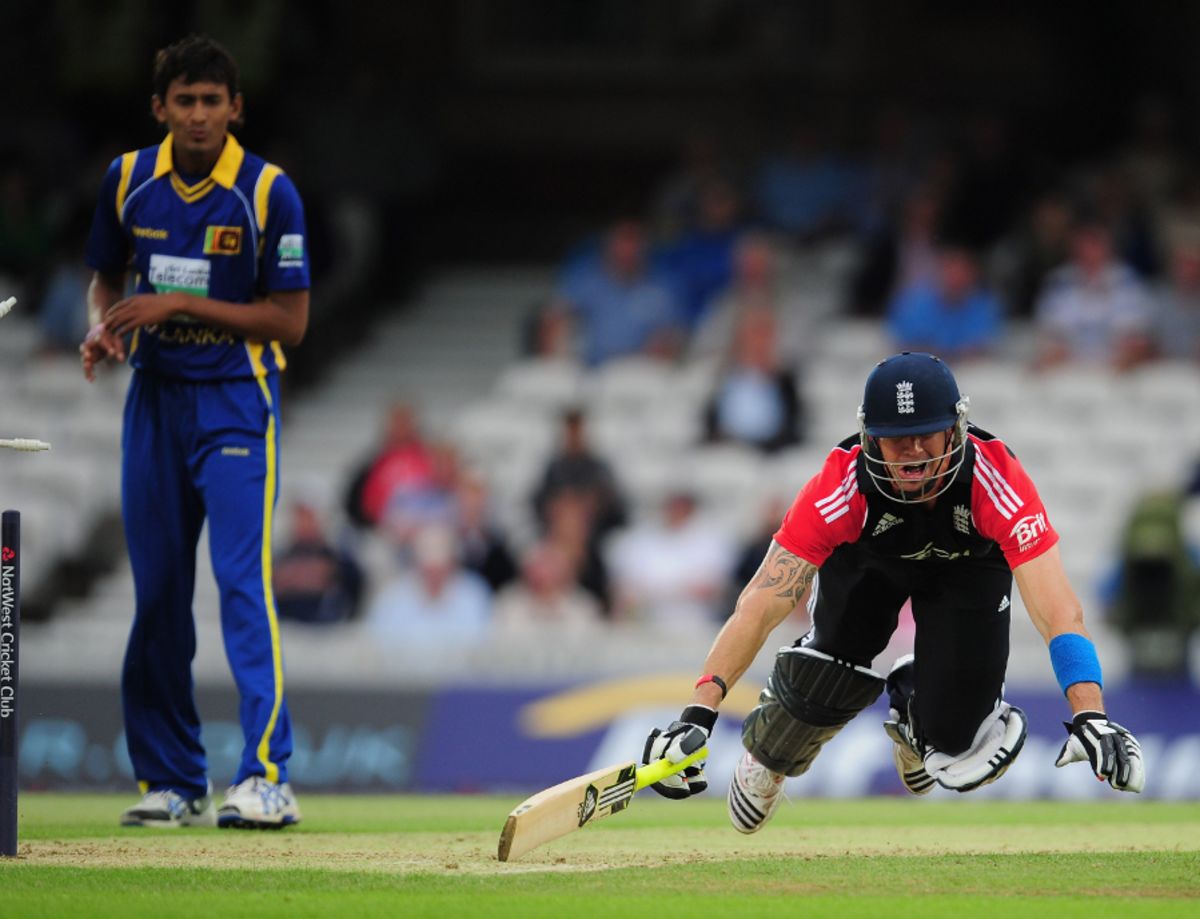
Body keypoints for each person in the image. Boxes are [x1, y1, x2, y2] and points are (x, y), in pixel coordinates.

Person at [642, 352, 1145, 834]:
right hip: (869, 564)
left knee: (965, 747)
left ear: (955, 428)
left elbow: (1059, 612)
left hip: (968, 568)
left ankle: (915, 718)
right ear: (870, 438)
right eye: (896, 439)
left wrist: (1090, 714)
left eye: (926, 433)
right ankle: (768, 755)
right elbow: (759, 603)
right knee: (829, 667)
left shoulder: (995, 481)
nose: (913, 452)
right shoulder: (840, 488)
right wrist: (699, 714)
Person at [79, 36, 309, 829]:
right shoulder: (128, 180)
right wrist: (103, 325)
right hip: (155, 401)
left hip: (238, 401)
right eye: (186, 101)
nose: (200, 115)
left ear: (236, 108)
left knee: (242, 585)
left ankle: (267, 776)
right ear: (161, 108)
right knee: (158, 595)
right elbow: (107, 278)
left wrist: (176, 304)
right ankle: (174, 779)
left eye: (214, 101)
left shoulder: (267, 190)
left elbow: (291, 320)